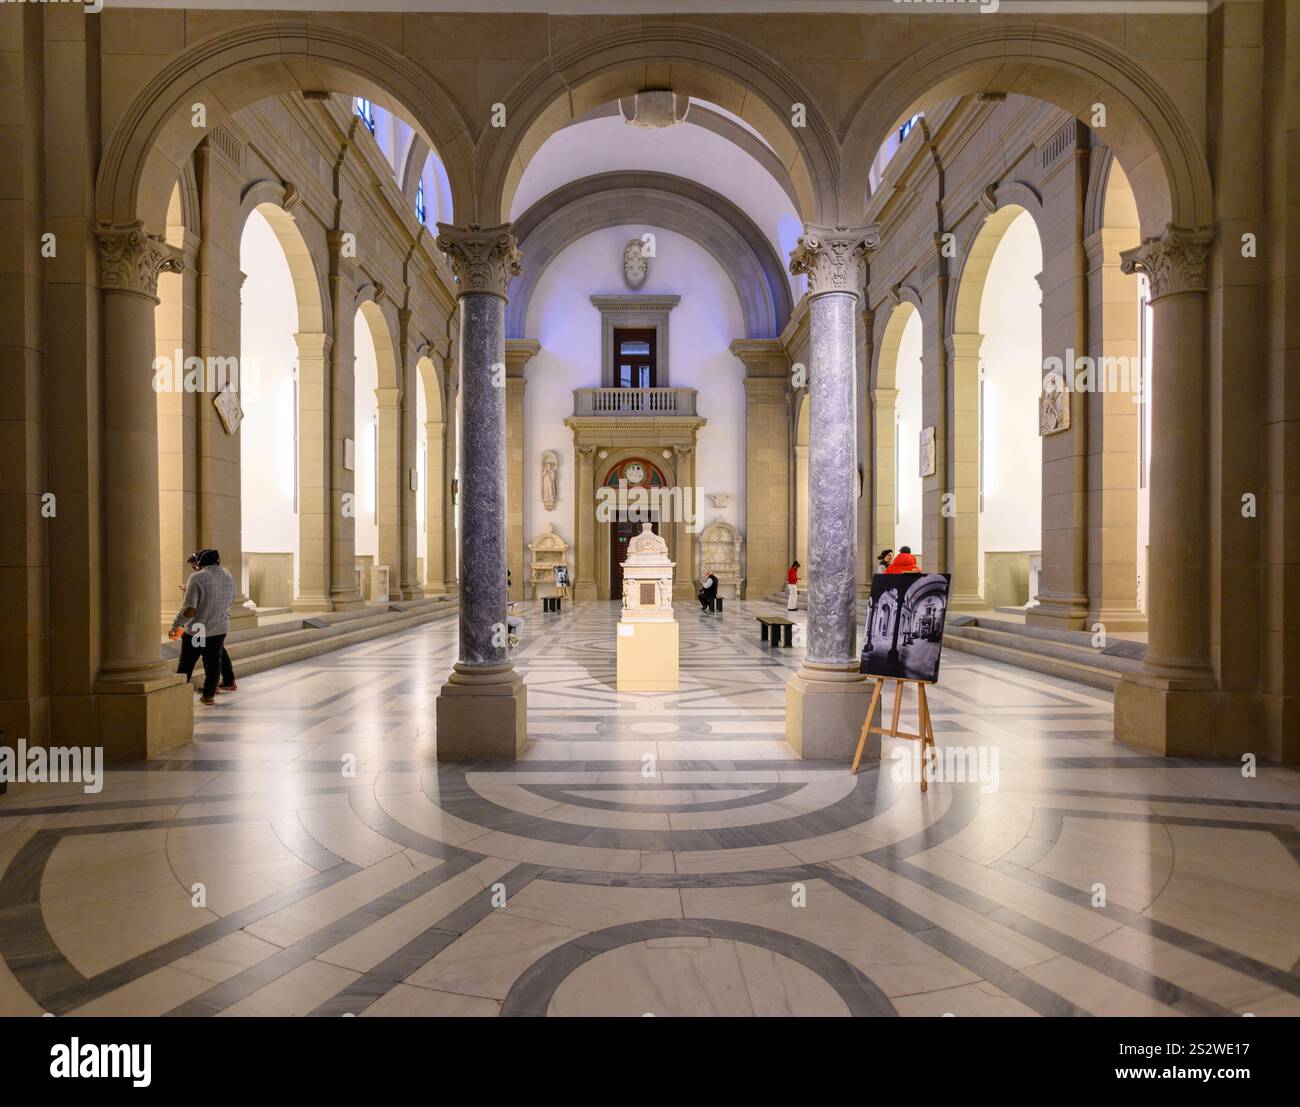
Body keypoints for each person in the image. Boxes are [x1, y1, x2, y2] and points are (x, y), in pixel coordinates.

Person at [169, 548, 236, 705]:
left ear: (201, 562)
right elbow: (231, 598)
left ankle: (179, 695)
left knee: (187, 661)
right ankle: (208, 695)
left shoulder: (197, 577)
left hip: (199, 629)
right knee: (213, 661)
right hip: (220, 628)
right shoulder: (227, 574)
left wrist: (175, 625)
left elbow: (189, 609)